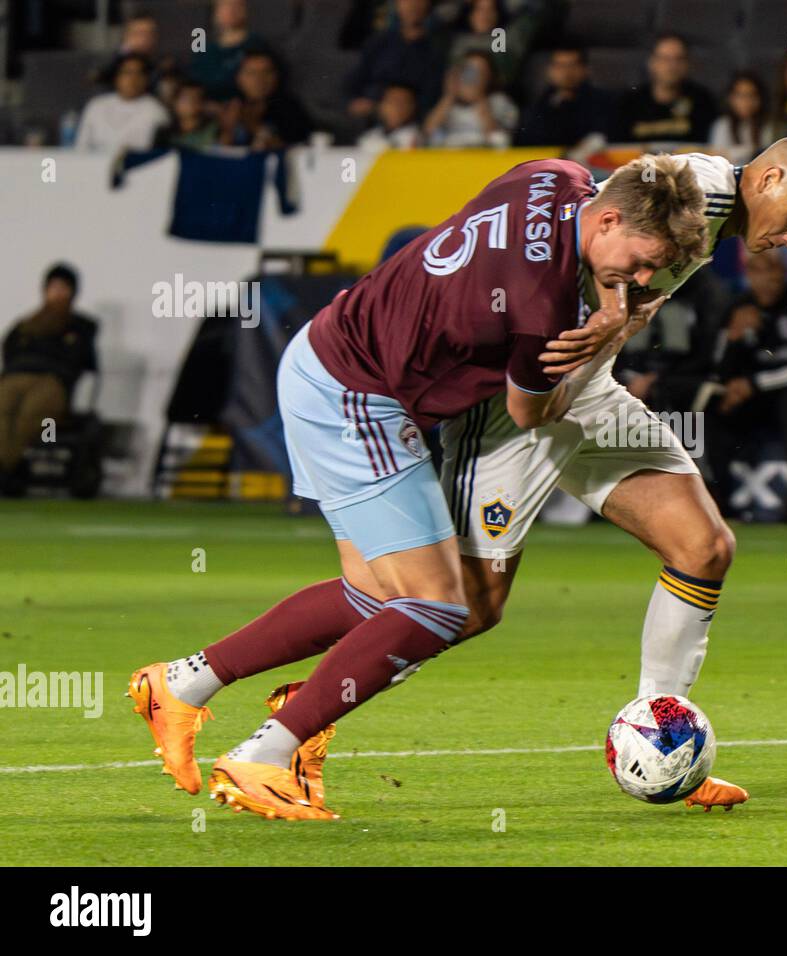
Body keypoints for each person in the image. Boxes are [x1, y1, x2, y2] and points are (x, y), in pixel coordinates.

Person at [128, 154, 710, 821]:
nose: (639, 279)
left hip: (330, 356)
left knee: (373, 597)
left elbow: (607, 205)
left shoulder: (555, 176)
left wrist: (612, 298)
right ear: (608, 220)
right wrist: (619, 329)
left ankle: (179, 685)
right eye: (640, 263)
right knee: (439, 606)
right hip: (357, 395)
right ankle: (265, 756)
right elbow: (532, 414)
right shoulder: (543, 306)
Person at [429, 135, 787, 810]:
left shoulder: (721, 220)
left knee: (704, 547)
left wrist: (624, 316)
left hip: (588, 395)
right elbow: (611, 205)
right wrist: (614, 308)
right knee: (469, 606)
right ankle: (308, 713)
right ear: (769, 176)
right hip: (518, 404)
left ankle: (663, 741)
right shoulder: (702, 185)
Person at [703, 248, 787, 522]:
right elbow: (719, 369)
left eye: (772, 273)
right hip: (762, 395)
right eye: (757, 273)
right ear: (748, 276)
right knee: (709, 405)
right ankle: (715, 496)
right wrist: (731, 338)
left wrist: (752, 384)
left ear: (784, 273)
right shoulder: (739, 306)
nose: (765, 281)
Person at [0, 264, 98, 496]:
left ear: (72, 293)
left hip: (53, 381)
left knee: (31, 414)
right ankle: (8, 470)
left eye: (63, 288)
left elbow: (84, 362)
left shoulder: (82, 326)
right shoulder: (25, 325)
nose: (57, 293)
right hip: (16, 376)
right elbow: (9, 352)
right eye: (53, 288)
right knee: (3, 409)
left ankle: (6, 469)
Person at [348, 0, 449, 120]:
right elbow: (354, 82)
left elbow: (430, 97)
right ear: (397, 4)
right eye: (406, 1)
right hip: (369, 113)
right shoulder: (379, 42)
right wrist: (356, 102)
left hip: (407, 120)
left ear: (428, 5)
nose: (412, 6)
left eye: (419, 1)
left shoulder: (435, 52)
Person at [616, 33, 716, 143]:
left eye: (679, 59)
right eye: (665, 59)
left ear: (688, 64)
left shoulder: (702, 101)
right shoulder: (629, 102)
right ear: (652, 63)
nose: (672, 66)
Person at [514, 44, 616, 149]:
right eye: (560, 66)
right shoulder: (537, 104)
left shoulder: (602, 101)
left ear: (585, 69)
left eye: (573, 65)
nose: (567, 72)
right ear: (550, 70)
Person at [73, 53, 170, 153]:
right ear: (116, 77)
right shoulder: (96, 106)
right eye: (127, 73)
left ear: (146, 79)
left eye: (138, 73)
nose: (133, 79)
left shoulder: (156, 111)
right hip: (94, 166)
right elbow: (81, 148)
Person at [216, 51, 313, 149]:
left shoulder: (290, 110)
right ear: (238, 77)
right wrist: (228, 129)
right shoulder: (227, 106)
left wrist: (252, 124)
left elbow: (296, 150)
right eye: (251, 73)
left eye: (267, 72)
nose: (259, 79)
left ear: (277, 76)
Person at [423, 51, 518, 147]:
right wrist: (450, 94)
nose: (474, 76)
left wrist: (480, 99)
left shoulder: (500, 102)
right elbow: (428, 132)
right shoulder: (448, 103)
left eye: (480, 72)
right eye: (469, 70)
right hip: (450, 156)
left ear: (490, 75)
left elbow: (500, 140)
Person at [188, 0, 270, 102]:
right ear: (215, 11)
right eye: (225, 5)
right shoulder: (204, 50)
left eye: (237, 5)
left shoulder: (257, 45)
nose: (231, 10)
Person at [708, 71, 773, 164]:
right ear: (730, 98)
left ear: (761, 99)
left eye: (751, 95)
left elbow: (767, 153)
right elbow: (716, 157)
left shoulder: (769, 125)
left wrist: (731, 153)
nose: (746, 101)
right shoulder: (722, 125)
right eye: (740, 95)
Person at [357, 82, 423, 151]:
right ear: (381, 105)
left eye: (403, 103)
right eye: (392, 102)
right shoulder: (369, 136)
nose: (397, 108)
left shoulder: (417, 137)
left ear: (412, 107)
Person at [162, 79, 219, 149]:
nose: (191, 103)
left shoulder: (213, 130)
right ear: (174, 102)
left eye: (195, 98)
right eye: (185, 99)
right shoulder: (164, 133)